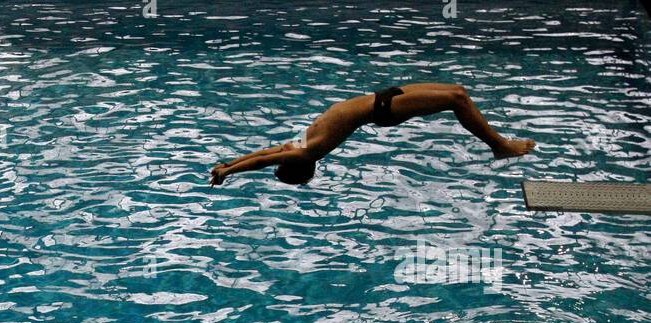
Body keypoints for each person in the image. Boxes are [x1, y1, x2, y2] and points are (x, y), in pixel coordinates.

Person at [210, 83, 535, 186]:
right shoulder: (306, 151)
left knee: (458, 92)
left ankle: (499, 144)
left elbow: (262, 156)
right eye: (283, 159)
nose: (279, 151)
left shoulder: (300, 144)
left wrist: (227, 164)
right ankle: (499, 146)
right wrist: (230, 174)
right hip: (382, 109)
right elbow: (264, 163)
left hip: (381, 96)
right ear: (293, 164)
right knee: (457, 100)